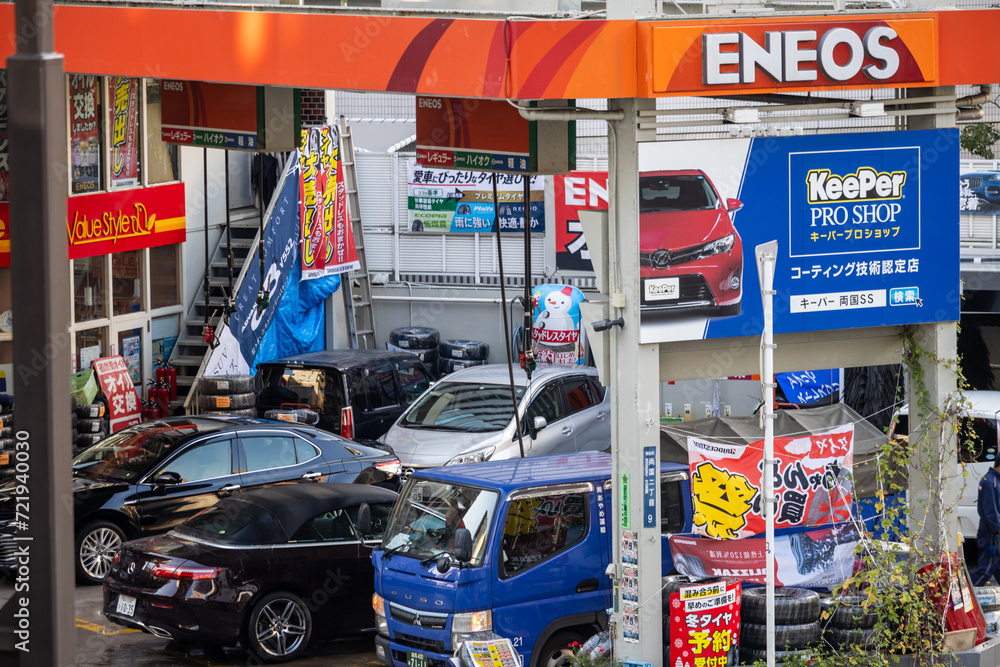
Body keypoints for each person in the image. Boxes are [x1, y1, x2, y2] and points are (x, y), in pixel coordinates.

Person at [973, 459, 1000, 586]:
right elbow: (992, 514)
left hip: (992, 534)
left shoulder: (991, 479)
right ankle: (962, 596)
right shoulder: (991, 483)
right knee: (985, 572)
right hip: (991, 535)